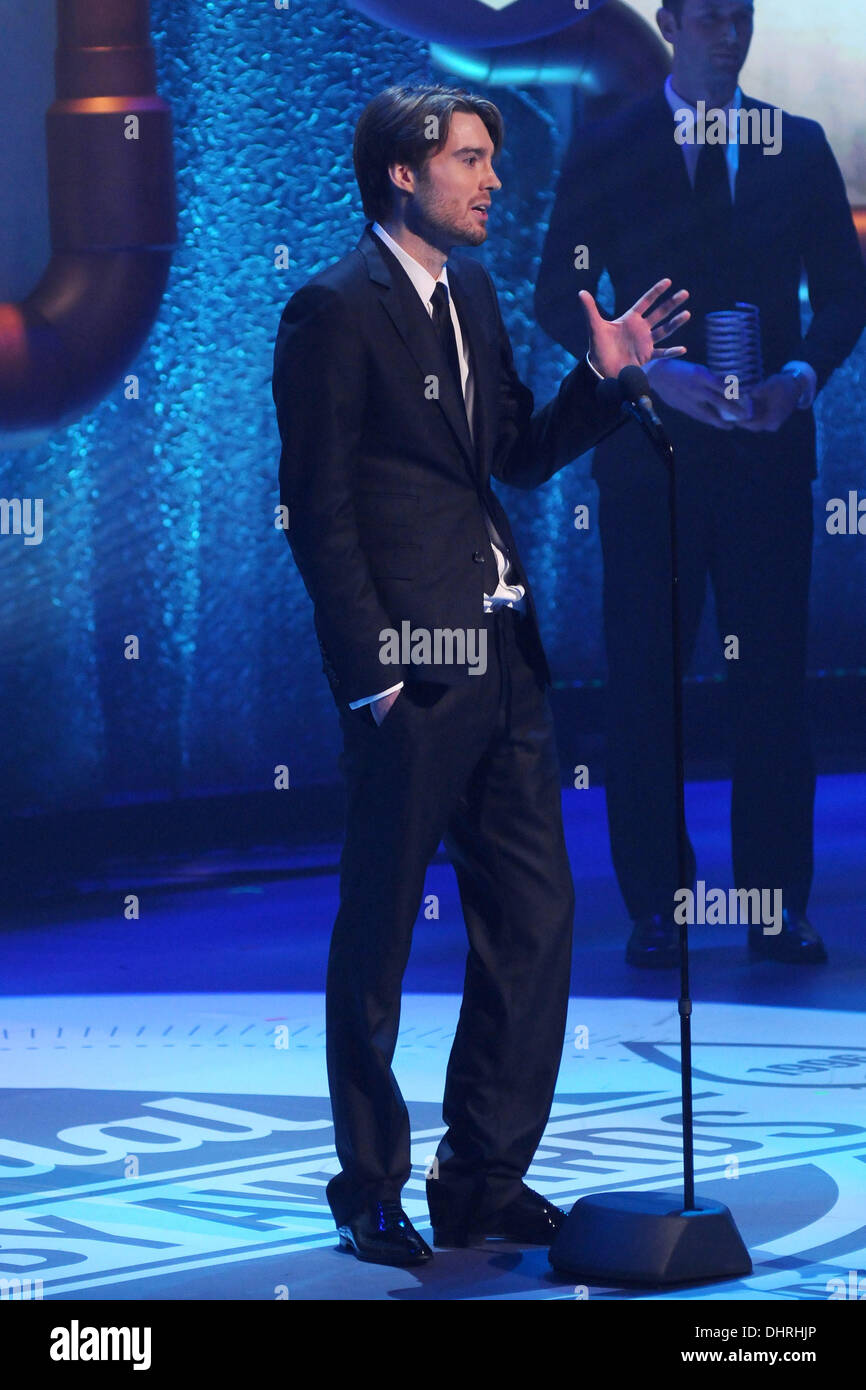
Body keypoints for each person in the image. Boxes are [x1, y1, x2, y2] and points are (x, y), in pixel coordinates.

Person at [272, 83, 689, 1266]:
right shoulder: (331, 311)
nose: (490, 180)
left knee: (535, 918)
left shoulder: (476, 295)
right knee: (379, 932)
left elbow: (509, 452)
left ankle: (482, 1175)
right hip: (412, 669)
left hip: (504, 658)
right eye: (467, 158)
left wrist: (604, 384)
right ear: (402, 173)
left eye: (490, 159)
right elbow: (318, 511)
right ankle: (369, 1186)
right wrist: (374, 675)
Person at [536, 0, 866, 969]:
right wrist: (644, 373)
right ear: (669, 23)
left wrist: (797, 380)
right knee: (644, 690)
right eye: (709, 19)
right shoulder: (607, 143)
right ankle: (657, 907)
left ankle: (774, 906)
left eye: (740, 19)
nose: (728, 36)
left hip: (763, 454)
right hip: (647, 457)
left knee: (771, 686)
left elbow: (844, 293)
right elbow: (560, 291)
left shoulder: (795, 146)